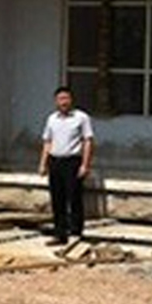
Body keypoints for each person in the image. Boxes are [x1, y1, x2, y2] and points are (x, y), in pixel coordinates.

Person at [38, 85, 94, 244]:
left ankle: (76, 232)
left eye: (66, 98)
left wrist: (85, 165)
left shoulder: (81, 118)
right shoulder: (52, 119)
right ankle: (60, 233)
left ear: (71, 100)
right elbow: (47, 142)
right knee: (57, 199)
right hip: (55, 161)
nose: (63, 102)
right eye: (60, 99)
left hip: (72, 162)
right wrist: (43, 163)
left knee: (74, 198)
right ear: (56, 101)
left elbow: (88, 141)